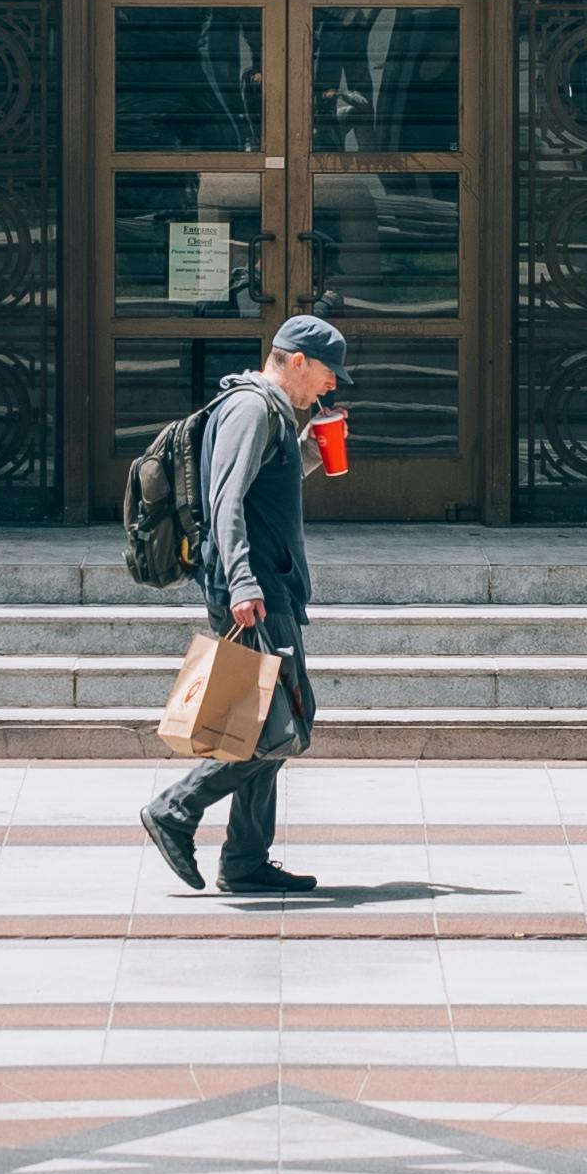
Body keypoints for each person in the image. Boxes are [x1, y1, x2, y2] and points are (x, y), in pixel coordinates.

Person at [138, 315, 350, 902]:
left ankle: (246, 859)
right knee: (283, 728)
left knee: (263, 720)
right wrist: (241, 583)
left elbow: (257, 486)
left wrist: (306, 450)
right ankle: (174, 809)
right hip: (256, 590)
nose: (331, 387)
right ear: (297, 360)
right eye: (328, 374)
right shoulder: (253, 408)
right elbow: (226, 499)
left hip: (266, 584)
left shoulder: (273, 415)